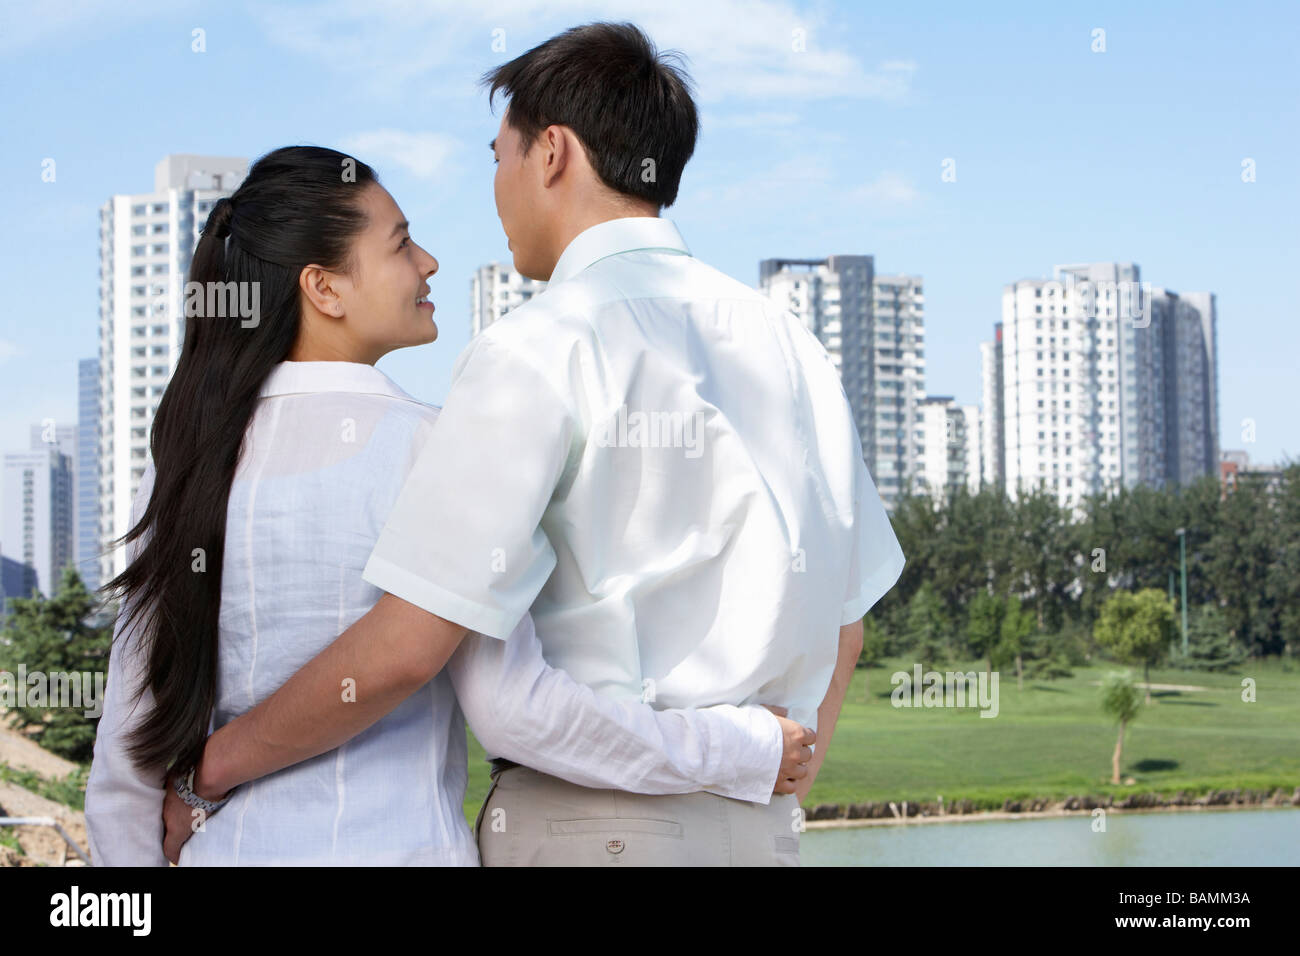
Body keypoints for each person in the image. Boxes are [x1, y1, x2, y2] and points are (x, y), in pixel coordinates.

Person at [163, 21, 904, 867]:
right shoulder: (791, 343)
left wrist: (211, 770)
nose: (496, 184)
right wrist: (774, 778)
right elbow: (847, 622)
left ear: (551, 154)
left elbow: (411, 646)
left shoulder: (537, 346)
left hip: (596, 830)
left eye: (497, 156)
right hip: (762, 833)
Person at [84, 144, 813, 867]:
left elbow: (126, 752)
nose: (428, 262)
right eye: (401, 244)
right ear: (323, 289)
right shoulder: (435, 445)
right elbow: (518, 710)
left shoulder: (186, 459)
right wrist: (736, 745)